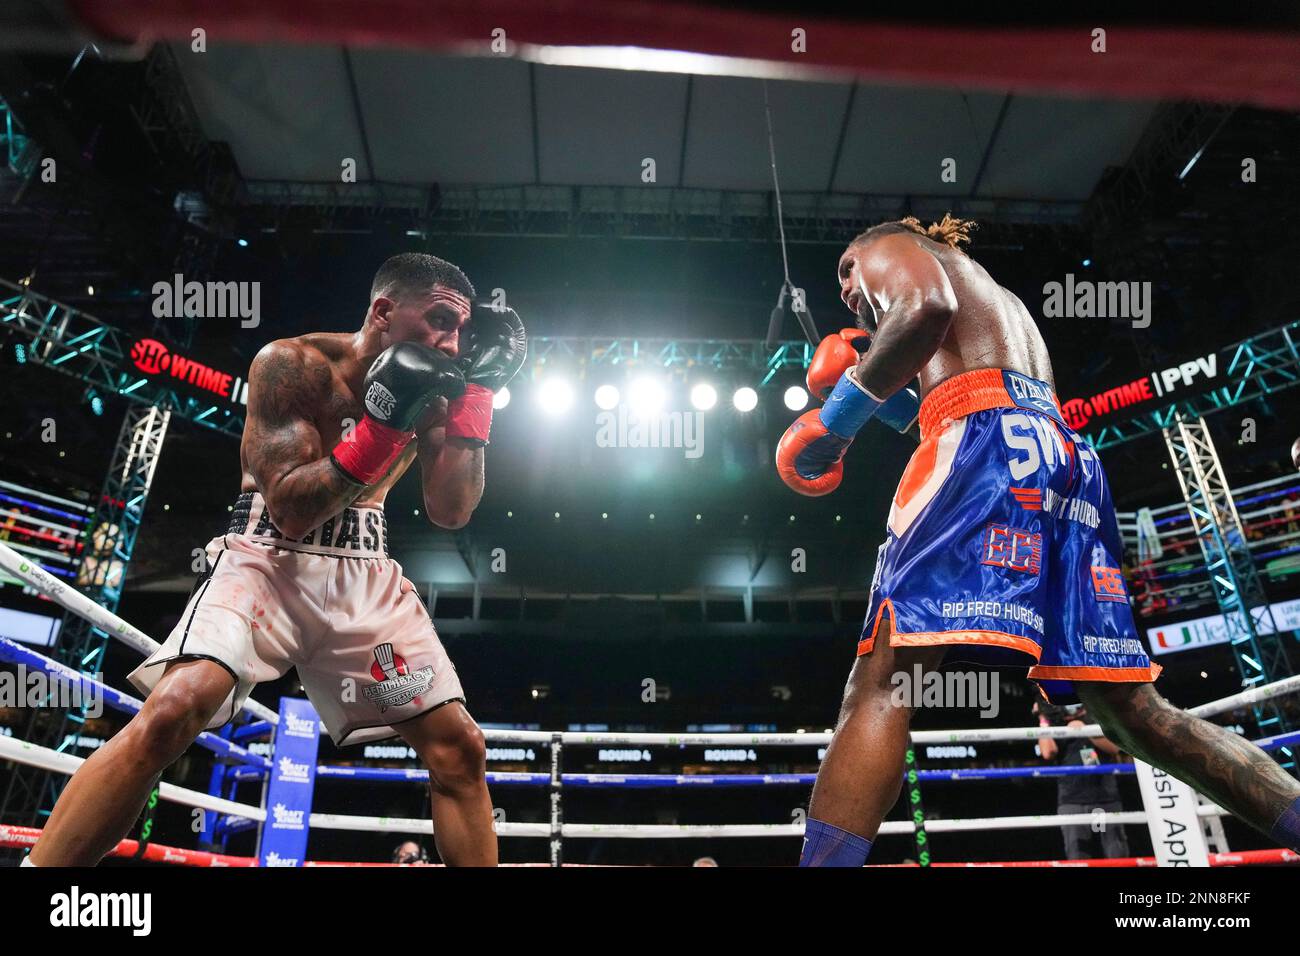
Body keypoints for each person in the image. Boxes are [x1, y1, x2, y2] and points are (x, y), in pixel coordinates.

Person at [777, 214, 1300, 866]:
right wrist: (866, 396)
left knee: (885, 684)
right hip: (1059, 458)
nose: (849, 293)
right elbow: (948, 397)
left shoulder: (889, 247)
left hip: (985, 446)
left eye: (845, 277)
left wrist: (834, 422)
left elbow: (925, 311)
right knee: (1136, 714)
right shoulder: (1000, 301)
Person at [25, 253, 525, 867]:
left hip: (363, 571)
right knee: (171, 714)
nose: (451, 343)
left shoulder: (443, 388)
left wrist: (476, 397)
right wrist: (384, 425)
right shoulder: (293, 365)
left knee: (460, 751)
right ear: (384, 312)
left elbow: (451, 510)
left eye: (460, 331)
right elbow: (289, 509)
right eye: (441, 321)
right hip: (267, 559)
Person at [1035, 701, 1130, 860]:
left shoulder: (1098, 718)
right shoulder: (1055, 724)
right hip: (1072, 800)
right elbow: (1048, 752)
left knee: (1117, 854)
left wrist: (1085, 729)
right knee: (1077, 857)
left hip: (1105, 798)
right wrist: (1043, 718)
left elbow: (1115, 748)